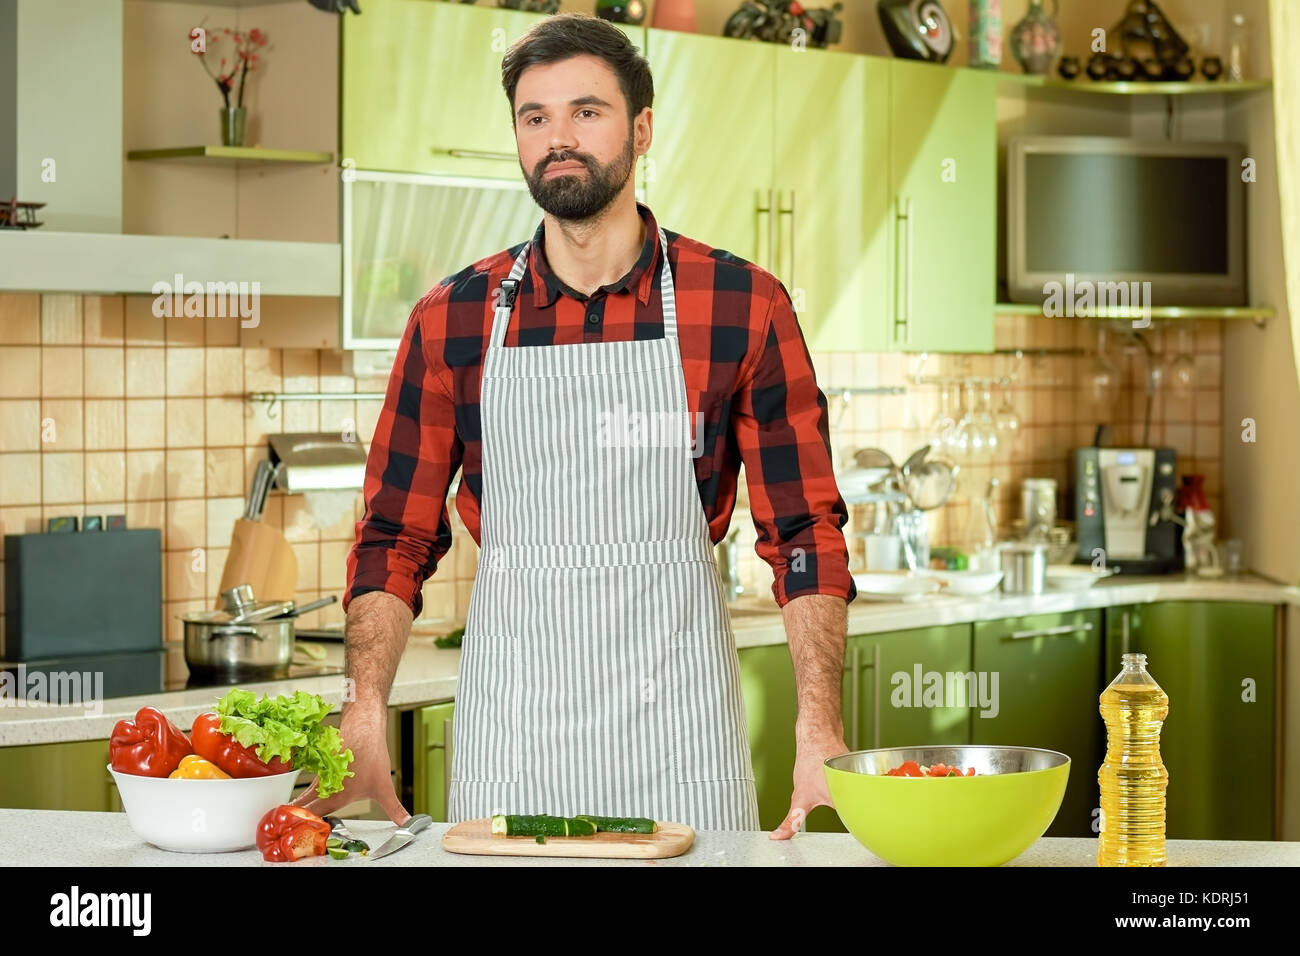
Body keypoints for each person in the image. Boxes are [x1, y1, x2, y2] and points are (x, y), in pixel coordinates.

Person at [296, 12, 856, 838]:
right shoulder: (452, 319)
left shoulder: (741, 305)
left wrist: (819, 727)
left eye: (586, 112)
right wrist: (364, 710)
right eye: (536, 117)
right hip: (513, 732)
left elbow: (805, 529)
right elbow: (393, 536)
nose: (559, 138)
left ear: (642, 129)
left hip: (679, 734)